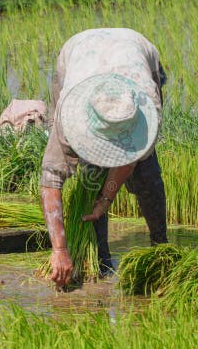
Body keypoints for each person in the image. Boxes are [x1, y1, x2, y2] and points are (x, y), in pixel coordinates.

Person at [41, 28, 168, 289]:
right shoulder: (69, 115)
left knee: (148, 175)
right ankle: (101, 262)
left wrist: (106, 199)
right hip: (77, 54)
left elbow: (131, 156)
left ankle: (161, 247)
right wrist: (60, 250)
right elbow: (50, 181)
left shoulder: (146, 107)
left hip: (134, 49)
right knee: (92, 173)